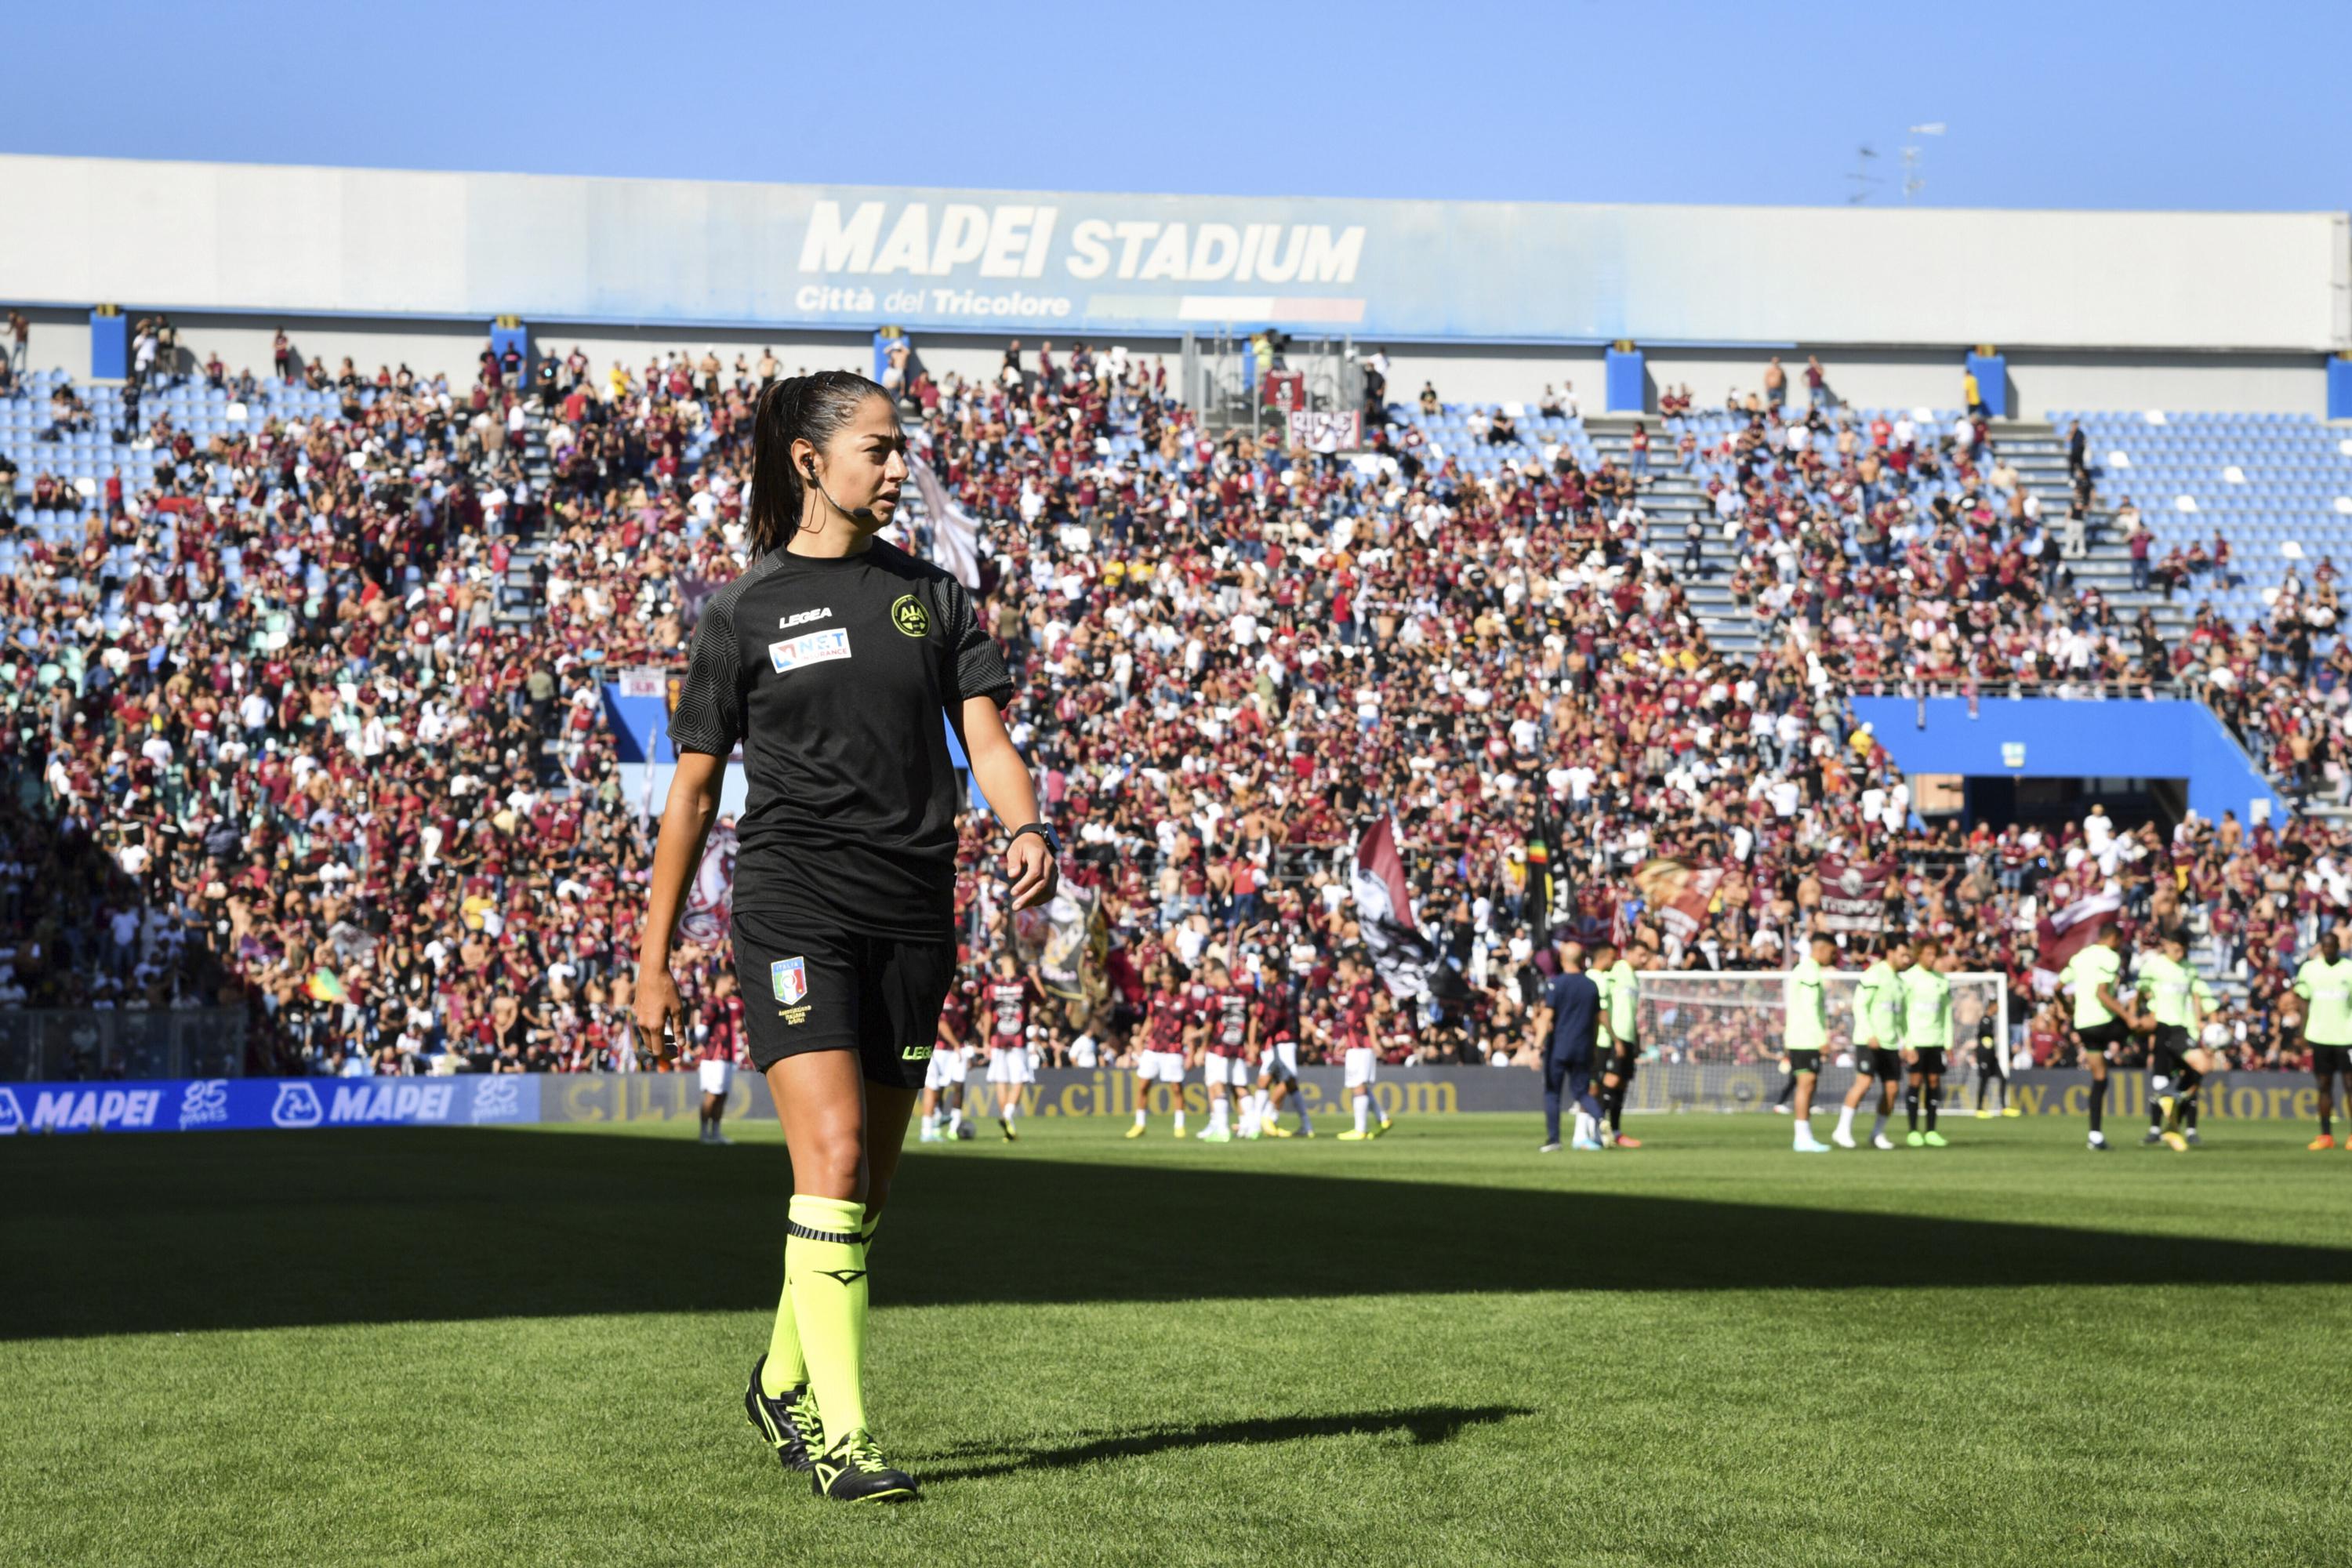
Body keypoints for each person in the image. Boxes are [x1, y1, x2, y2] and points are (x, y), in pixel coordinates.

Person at [641, 369, 1057, 1504]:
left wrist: (1025, 827)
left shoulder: (937, 597)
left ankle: (780, 1381)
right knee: (827, 1164)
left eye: (897, 445)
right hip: (794, 907)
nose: (895, 463)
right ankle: (844, 1436)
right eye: (876, 446)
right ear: (808, 461)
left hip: (914, 913)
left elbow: (986, 734)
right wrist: (652, 960)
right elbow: (689, 799)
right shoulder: (742, 613)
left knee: (862, 1191)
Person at [2060, 924, 2143, 1153]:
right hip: (2103, 1023)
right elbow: (2102, 993)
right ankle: (2164, 1079)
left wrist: (2066, 1006)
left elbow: (2058, 986)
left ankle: (2095, 1136)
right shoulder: (2110, 957)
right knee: (2145, 1025)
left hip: (2084, 1027)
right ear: (2114, 939)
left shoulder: (2080, 957)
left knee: (2100, 1078)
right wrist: (2128, 1017)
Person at [2139, 930, 2217, 1152]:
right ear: (2167, 945)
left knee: (2201, 1068)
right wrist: (2145, 1014)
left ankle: (2179, 1121)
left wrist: (2205, 1022)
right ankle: (2161, 1129)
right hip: (2162, 1028)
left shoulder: (2189, 970)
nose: (2179, 953)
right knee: (2159, 1084)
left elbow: (2199, 997)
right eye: (2176, 948)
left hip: (2182, 1030)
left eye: (2183, 949)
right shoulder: (2155, 966)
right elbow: (2142, 991)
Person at [1832, 938, 1910, 1150]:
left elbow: (1902, 1018)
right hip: (1869, 1041)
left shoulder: (1901, 983)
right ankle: (1842, 1129)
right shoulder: (1874, 975)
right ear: (1891, 953)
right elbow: (1860, 1006)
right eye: (1903, 954)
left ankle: (1877, 1133)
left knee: (1892, 1089)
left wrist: (1907, 1042)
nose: (1906, 959)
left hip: (1891, 1043)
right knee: (1863, 1084)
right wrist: (1869, 1034)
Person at [1534, 939, 1608, 1152]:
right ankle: (1601, 1119)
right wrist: (1594, 1047)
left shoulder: (1556, 984)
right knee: (1582, 1091)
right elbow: (1597, 1019)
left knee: (1552, 1093)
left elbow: (1547, 1016)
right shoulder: (1590, 985)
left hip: (1559, 1047)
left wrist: (1537, 1046)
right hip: (1583, 1046)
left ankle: (1554, 1139)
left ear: (1562, 958)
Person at [2290, 927, 2352, 1151]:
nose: (2328, 950)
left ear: (2338, 948)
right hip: (2320, 1035)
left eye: (2331, 947)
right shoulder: (2310, 969)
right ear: (2321, 947)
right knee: (2323, 1086)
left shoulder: (2349, 969)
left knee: (2350, 1086)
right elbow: (2303, 1002)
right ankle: (2326, 1135)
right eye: (2324, 947)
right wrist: (2303, 1032)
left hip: (2347, 1036)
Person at [1783, 932, 1836, 1152]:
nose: (1832, 958)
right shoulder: (1809, 973)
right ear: (1821, 949)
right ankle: (1802, 1136)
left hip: (1802, 1037)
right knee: (1806, 1084)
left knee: (1808, 1083)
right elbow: (1810, 1009)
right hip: (1804, 1038)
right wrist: (1821, 1038)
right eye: (1832, 953)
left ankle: (1804, 1135)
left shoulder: (1807, 970)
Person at [1126, 962, 1191, 1138]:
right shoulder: (1156, 997)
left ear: (1176, 981)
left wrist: (1191, 1052)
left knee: (1176, 1087)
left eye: (1169, 981)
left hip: (1173, 1049)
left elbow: (1189, 1027)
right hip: (1154, 1047)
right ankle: (1140, 1124)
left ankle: (1179, 1125)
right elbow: (1150, 1020)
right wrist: (1140, 1041)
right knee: (1143, 1085)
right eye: (1163, 982)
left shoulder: (1184, 1001)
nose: (1166, 985)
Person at [1898, 935, 1952, 1148]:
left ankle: (1931, 1130)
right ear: (1919, 954)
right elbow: (1903, 1014)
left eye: (1934, 954)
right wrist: (1907, 1043)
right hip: (1916, 1040)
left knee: (1934, 1084)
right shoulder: (1908, 979)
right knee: (1914, 1083)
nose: (1932, 958)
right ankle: (1913, 1131)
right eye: (1928, 954)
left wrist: (1948, 1042)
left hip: (1936, 1040)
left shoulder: (1942, 980)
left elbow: (1946, 1014)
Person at [1250, 957, 1313, 1138]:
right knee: (1280, 1083)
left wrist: (1259, 1040)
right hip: (1281, 1041)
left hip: (1282, 1041)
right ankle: (1306, 1125)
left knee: (1288, 1079)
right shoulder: (1288, 990)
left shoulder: (1276, 991)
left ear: (1274, 972)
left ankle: (1265, 1116)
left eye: (1264, 973)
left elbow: (1273, 1018)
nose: (1262, 977)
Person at [1332, 956, 1393, 1141]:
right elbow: (1354, 1017)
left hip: (1361, 1043)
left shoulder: (1360, 988)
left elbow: (1367, 1015)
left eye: (1341, 969)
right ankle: (1383, 1118)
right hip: (1354, 1042)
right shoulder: (1354, 989)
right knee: (1359, 1085)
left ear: (1346, 967)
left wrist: (1374, 1040)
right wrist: (1344, 1038)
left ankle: (1361, 1129)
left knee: (1357, 1085)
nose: (1340, 974)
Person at [1592, 938, 1642, 1148]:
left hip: (1629, 1036)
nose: (1644, 958)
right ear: (1628, 953)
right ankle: (1600, 1131)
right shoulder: (1618, 969)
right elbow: (1598, 980)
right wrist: (1615, 1038)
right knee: (1609, 1083)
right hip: (1616, 1036)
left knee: (1621, 1084)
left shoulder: (1634, 978)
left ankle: (1616, 1131)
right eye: (1640, 953)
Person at [983, 951, 1038, 1142]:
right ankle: (1007, 1116)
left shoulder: (993, 985)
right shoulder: (1024, 983)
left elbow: (987, 1014)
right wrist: (1036, 978)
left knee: (1001, 1081)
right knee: (1018, 1080)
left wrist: (985, 1040)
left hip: (998, 1039)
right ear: (1015, 962)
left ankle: (1009, 1125)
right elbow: (1043, 999)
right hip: (1017, 1039)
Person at [1196, 956, 1249, 1142]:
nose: (1208, 979)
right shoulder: (1242, 995)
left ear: (1217, 976)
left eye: (1209, 975)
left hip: (1218, 1047)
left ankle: (1222, 1129)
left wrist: (1202, 1048)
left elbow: (1210, 1026)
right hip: (1238, 1046)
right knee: (1240, 1087)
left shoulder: (1215, 997)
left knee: (1217, 1085)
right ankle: (1250, 1127)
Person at [917, 980, 974, 1142]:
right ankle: (926, 1130)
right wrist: (956, 1044)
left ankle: (933, 1127)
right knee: (932, 1088)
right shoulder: (943, 998)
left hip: (945, 1049)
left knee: (937, 1088)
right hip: (936, 1048)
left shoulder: (961, 999)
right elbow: (942, 1024)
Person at [694, 971, 743, 1146]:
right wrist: (701, 1043)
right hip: (715, 1057)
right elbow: (701, 1029)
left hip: (728, 1056)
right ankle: (704, 1133)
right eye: (729, 983)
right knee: (713, 1095)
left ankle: (716, 1133)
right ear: (721, 983)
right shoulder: (713, 1003)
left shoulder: (725, 1004)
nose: (732, 987)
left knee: (722, 1096)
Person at [1971, 1007, 2016, 1119]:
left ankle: (2004, 1107)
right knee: (1984, 1080)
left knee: (2003, 1078)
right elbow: (1983, 1035)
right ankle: (1979, 1108)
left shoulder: (1991, 1020)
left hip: (1992, 1057)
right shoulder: (1985, 1019)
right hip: (1984, 1056)